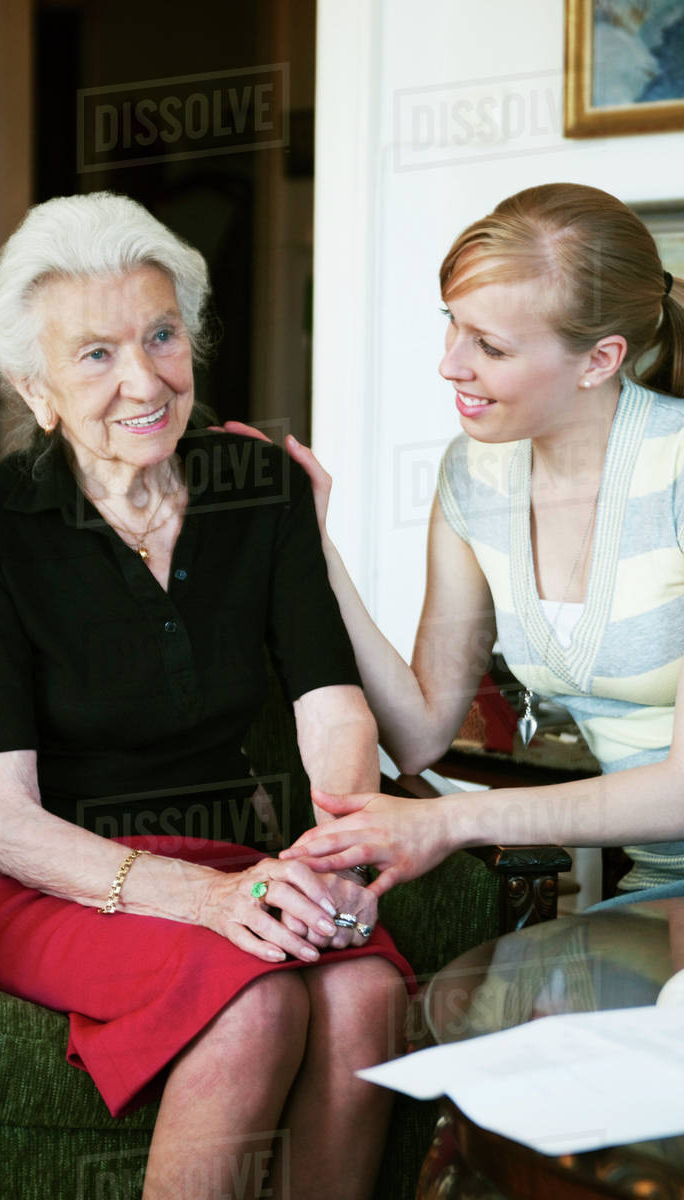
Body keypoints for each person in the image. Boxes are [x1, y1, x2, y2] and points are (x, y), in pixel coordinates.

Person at [0, 192, 412, 1200]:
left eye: (161, 335)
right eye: (95, 354)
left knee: (366, 992)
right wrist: (208, 902)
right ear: (36, 388)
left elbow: (333, 706)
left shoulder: (258, 485)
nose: (144, 381)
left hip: (234, 853)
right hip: (40, 880)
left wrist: (327, 857)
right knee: (255, 1002)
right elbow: (3, 817)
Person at [247, 182, 684, 905]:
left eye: (491, 346)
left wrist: (449, 822)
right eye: (452, 324)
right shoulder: (476, 473)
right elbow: (419, 734)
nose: (451, 364)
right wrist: (311, 541)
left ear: (599, 360)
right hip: (657, 889)